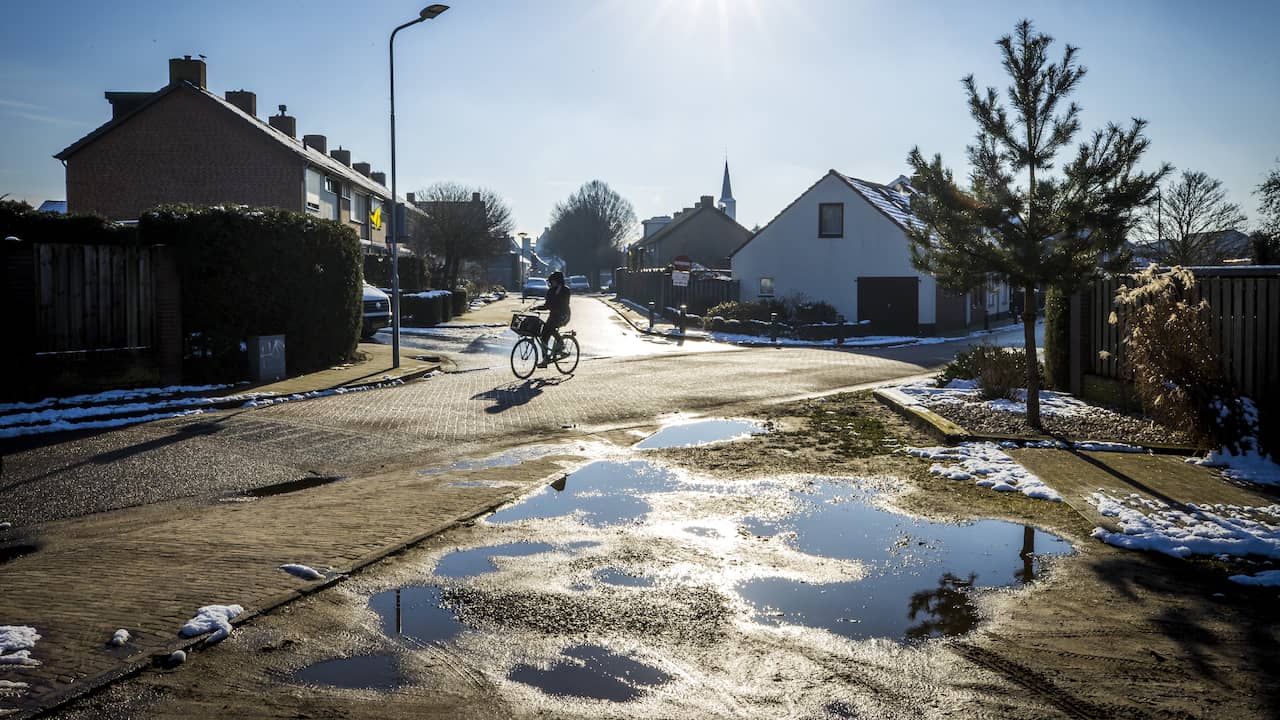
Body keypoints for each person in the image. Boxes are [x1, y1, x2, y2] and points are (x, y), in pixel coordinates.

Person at [531, 270, 571, 365]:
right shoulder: (550, 291)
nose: (552, 283)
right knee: (544, 335)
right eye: (551, 281)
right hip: (553, 315)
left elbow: (563, 303)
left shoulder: (565, 290)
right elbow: (547, 305)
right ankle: (545, 359)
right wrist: (537, 307)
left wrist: (557, 293)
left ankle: (560, 345)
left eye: (553, 281)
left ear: (558, 281)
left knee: (550, 328)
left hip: (563, 315)